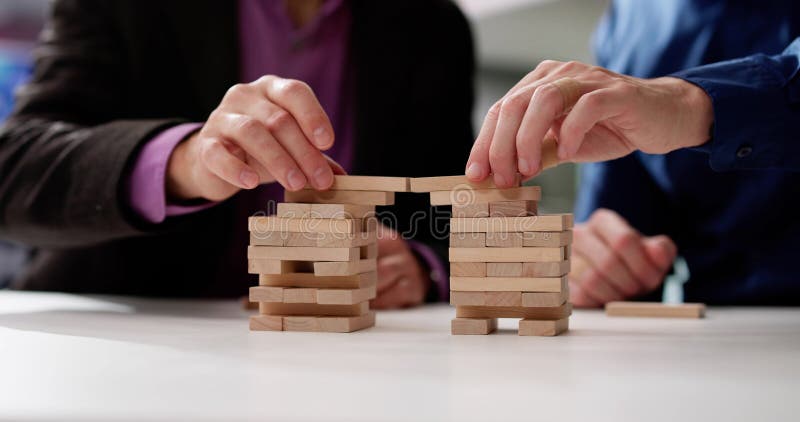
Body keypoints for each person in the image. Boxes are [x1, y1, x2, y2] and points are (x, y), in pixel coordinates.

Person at [0, 0, 474, 308]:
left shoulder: (432, 25)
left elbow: (453, 213)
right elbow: (14, 172)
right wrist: (182, 162)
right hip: (127, 351)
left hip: (349, 362)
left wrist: (423, 268)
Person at [467, 0, 800, 306]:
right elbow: (617, 230)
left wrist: (689, 104)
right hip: (714, 333)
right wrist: (600, 264)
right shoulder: (629, 18)